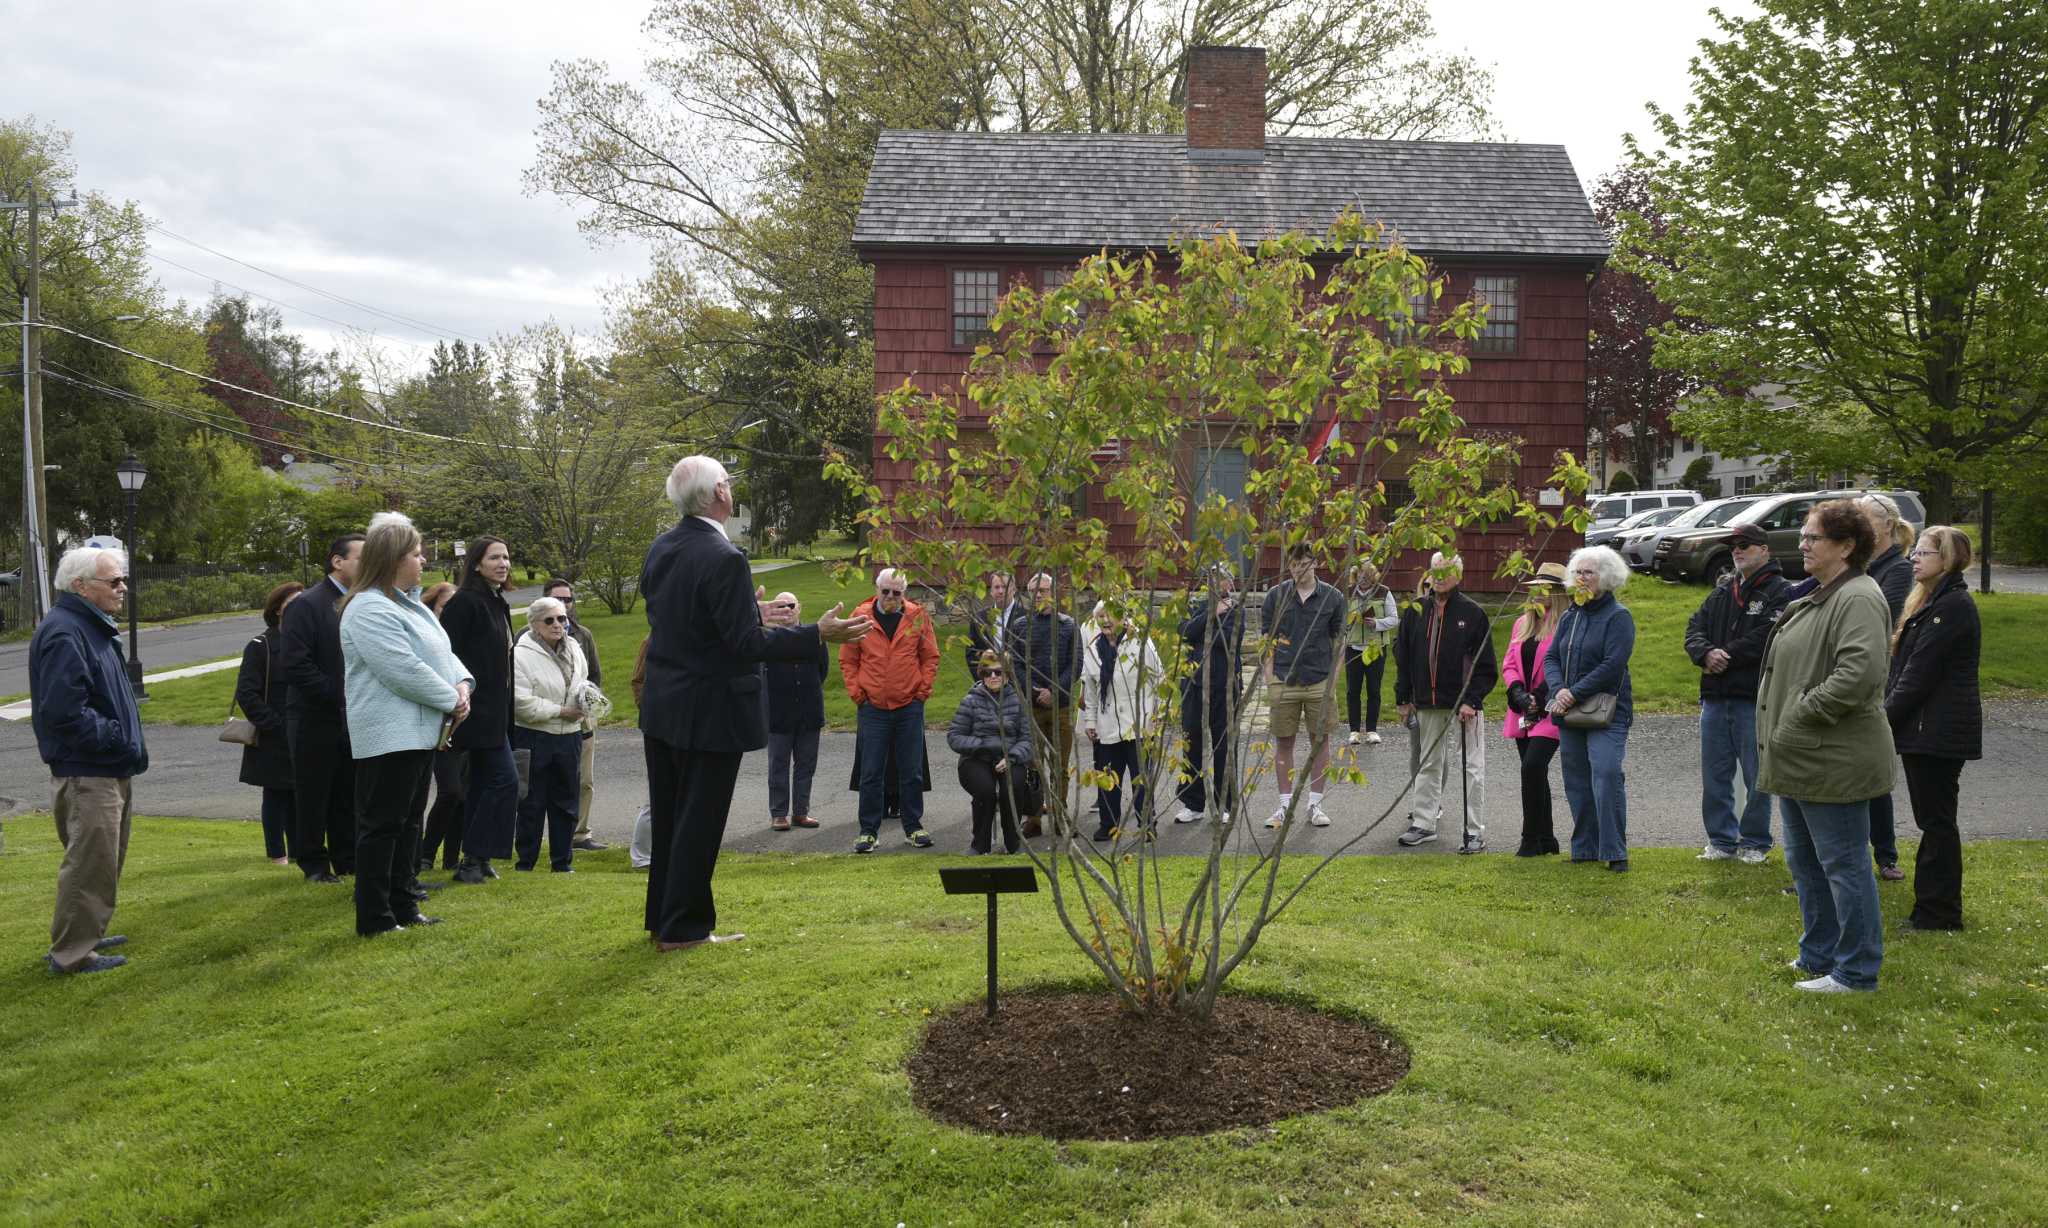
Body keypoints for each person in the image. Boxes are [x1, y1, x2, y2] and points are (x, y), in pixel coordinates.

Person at [640, 455, 869, 949]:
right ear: (717, 494)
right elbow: (745, 645)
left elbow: (684, 618)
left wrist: (750, 609)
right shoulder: (723, 557)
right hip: (709, 708)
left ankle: (663, 919)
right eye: (726, 481)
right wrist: (816, 634)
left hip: (664, 703)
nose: (731, 488)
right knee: (699, 820)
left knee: (671, 815)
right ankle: (685, 929)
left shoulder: (664, 546)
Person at [1756, 499, 1894, 993]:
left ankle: (1856, 971)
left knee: (1844, 863)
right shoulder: (1822, 593)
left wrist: (1799, 714)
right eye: (1804, 536)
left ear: (1846, 546)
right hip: (1800, 752)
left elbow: (1859, 675)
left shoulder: (1857, 595)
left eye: (1813, 537)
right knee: (1806, 861)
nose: (1802, 544)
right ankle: (1818, 955)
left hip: (1831, 755)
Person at [337, 512, 471, 937]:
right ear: (393, 558)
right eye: (415, 553)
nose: (423, 559)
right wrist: (451, 699)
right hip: (388, 735)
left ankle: (404, 904)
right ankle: (375, 918)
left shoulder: (410, 605)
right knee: (382, 826)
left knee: (409, 822)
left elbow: (444, 655)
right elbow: (402, 668)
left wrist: (464, 685)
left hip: (420, 732)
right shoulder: (367, 608)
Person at [31, 545, 148, 975]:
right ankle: (72, 954)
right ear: (80, 586)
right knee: (88, 862)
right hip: (89, 769)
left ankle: (86, 933)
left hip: (106, 765)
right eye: (113, 581)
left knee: (103, 858)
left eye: (122, 579)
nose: (123, 588)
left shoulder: (89, 626)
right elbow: (64, 712)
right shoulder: (66, 632)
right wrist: (116, 738)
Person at [1885, 525, 1980, 931]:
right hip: (1927, 729)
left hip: (1937, 732)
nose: (1914, 558)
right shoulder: (1929, 601)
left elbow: (1917, 676)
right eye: (1916, 551)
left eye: (1925, 552)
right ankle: (1934, 907)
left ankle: (1938, 911)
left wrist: (1882, 723)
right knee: (1935, 820)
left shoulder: (1952, 606)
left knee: (1937, 822)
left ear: (1948, 559)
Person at [1683, 522, 1792, 864]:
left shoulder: (1779, 590)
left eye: (1745, 544)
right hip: (1715, 696)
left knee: (1755, 773)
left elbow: (1769, 634)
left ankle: (1755, 842)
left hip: (1752, 698)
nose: (1738, 550)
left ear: (1764, 549)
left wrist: (1724, 656)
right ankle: (1720, 840)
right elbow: (1694, 628)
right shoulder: (1722, 590)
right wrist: (1704, 653)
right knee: (1715, 773)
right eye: (1733, 546)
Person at [1395, 552, 1498, 852]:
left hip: (1464, 703)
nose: (1440, 577)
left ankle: (1474, 831)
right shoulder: (1416, 611)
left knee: (1473, 768)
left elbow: (1485, 665)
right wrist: (1404, 697)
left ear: (1459, 575)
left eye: (1447, 571)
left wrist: (1471, 699)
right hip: (1427, 701)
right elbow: (1403, 656)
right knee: (1427, 763)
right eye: (1435, 571)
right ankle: (1424, 823)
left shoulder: (1473, 613)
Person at [1543, 546, 1637, 870]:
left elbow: (1613, 664)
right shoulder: (1571, 615)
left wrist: (1573, 693)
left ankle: (1614, 852)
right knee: (1577, 780)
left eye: (1589, 573)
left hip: (1607, 711)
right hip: (1570, 711)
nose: (1582, 578)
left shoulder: (1619, 617)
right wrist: (1558, 690)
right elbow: (1551, 657)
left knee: (1607, 774)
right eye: (1578, 572)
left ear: (1606, 578)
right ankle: (1584, 848)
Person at [279, 533, 363, 883]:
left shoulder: (362, 602)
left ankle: (347, 858)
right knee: (314, 793)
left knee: (347, 791)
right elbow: (296, 665)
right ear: (337, 561)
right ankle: (313, 863)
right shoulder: (308, 604)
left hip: (353, 717)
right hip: (316, 717)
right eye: (361, 557)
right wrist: (339, 695)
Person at [842, 568, 941, 852]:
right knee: (871, 771)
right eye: (885, 591)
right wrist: (857, 694)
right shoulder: (860, 617)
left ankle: (914, 827)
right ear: (877, 589)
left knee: (911, 770)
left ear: (904, 593)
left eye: (896, 593)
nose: (890, 597)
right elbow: (848, 659)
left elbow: (930, 656)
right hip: (872, 707)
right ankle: (868, 831)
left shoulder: (917, 616)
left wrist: (922, 692)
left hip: (909, 705)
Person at [442, 536, 518, 885]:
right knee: (504, 780)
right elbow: (448, 656)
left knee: (484, 783)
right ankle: (473, 856)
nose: (503, 564)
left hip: (497, 711)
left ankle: (477, 858)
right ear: (475, 564)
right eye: (494, 558)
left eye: (505, 557)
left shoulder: (497, 603)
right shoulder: (466, 603)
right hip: (474, 711)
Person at [1262, 544, 1347, 829]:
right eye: (1294, 564)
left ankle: (1315, 804)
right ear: (1289, 566)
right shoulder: (1276, 596)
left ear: (1316, 564)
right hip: (1283, 680)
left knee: (1319, 741)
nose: (1300, 568)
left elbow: (1339, 642)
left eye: (1305, 563)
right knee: (1284, 742)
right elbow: (1268, 640)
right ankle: (1285, 805)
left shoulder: (1333, 597)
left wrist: (1332, 682)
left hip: (1319, 680)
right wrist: (1269, 678)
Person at [512, 595, 591, 873]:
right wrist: (560, 710)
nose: (558, 624)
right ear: (535, 624)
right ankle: (526, 863)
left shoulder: (574, 647)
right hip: (534, 736)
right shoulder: (520, 654)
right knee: (532, 803)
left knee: (567, 803)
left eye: (562, 618)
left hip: (570, 736)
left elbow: (583, 683)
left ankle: (562, 863)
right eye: (550, 620)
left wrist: (588, 700)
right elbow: (520, 703)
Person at [1858, 493, 1915, 882]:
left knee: (1871, 769)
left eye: (1864, 520)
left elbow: (1885, 619)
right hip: (1863, 673)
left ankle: (1885, 854)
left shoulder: (1897, 569)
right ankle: (1864, 852)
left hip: (1880, 679)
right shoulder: (1862, 564)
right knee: (1856, 770)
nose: (1858, 526)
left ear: (1887, 526)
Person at [1082, 600, 1165, 841]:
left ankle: (1147, 825)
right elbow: (1090, 690)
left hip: (1139, 723)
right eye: (1101, 616)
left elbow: (1159, 678)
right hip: (1107, 724)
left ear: (1122, 617)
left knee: (1141, 778)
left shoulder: (1140, 642)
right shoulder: (1092, 649)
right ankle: (1108, 824)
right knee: (1108, 777)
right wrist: (1090, 721)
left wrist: (1158, 715)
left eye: (1111, 615)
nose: (1106, 620)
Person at [236, 581, 305, 865]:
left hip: (302, 730)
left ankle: (301, 850)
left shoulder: (305, 642)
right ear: (278, 610)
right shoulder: (260, 646)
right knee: (276, 794)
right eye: (292, 605)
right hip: (273, 734)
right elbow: (247, 693)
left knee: (298, 795)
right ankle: (277, 853)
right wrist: (274, 724)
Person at [1500, 562, 1566, 857]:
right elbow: (1510, 662)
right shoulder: (1521, 623)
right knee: (1534, 774)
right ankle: (1547, 838)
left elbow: (1563, 666)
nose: (1538, 593)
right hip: (1522, 708)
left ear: (1558, 593)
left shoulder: (1565, 624)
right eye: (1535, 588)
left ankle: (1529, 838)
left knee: (1533, 767)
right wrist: (1516, 691)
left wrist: (1539, 696)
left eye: (1546, 588)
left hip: (1549, 707)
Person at [1007, 572, 1080, 839]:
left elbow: (1076, 664)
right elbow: (1015, 664)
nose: (1039, 595)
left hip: (1060, 707)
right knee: (1032, 764)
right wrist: (1034, 692)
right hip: (1031, 707)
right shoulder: (1019, 626)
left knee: (1060, 765)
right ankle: (1034, 818)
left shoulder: (1068, 625)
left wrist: (1053, 691)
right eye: (1034, 591)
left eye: (1044, 591)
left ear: (1054, 592)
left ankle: (1060, 816)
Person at [541, 578, 608, 854]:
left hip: (581, 719)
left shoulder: (584, 635)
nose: (565, 605)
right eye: (559, 600)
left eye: (568, 600)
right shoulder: (527, 636)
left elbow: (594, 676)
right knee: (541, 782)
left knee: (583, 780)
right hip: (543, 719)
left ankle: (580, 835)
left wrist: (587, 707)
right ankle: (532, 834)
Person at [1173, 568, 1244, 824]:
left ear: (1230, 582)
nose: (1216, 583)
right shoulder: (1194, 604)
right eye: (1211, 578)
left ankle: (1225, 804)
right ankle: (1193, 804)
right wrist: (1211, 614)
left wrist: (1200, 630)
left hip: (1225, 688)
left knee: (1224, 746)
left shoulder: (1237, 609)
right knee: (1192, 744)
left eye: (1222, 578)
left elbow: (1227, 641)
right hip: (1193, 686)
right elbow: (1183, 633)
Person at [949, 651, 1036, 854]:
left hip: (1010, 758)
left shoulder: (1019, 701)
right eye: (987, 673)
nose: (993, 677)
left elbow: (1028, 739)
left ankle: (1014, 844)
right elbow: (954, 735)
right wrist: (980, 747)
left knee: (1011, 789)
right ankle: (979, 845)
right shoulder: (970, 700)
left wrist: (1012, 757)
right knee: (985, 791)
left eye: (998, 672)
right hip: (976, 758)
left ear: (1007, 674)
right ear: (981, 675)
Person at [763, 591, 827, 832]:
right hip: (778, 714)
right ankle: (779, 814)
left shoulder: (815, 637)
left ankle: (801, 812)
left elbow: (822, 670)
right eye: (781, 606)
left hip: (809, 712)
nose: (787, 609)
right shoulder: (768, 638)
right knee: (778, 765)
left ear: (799, 607)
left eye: (791, 605)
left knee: (806, 765)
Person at [417, 581, 467, 872]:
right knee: (451, 791)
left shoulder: (461, 637)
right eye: (445, 606)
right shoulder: (427, 641)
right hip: (436, 724)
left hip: (464, 722)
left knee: (463, 795)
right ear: (433, 608)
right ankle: (425, 853)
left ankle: (450, 859)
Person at [1344, 562, 1401, 747]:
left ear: (1373, 576)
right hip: (1353, 648)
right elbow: (1339, 620)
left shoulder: (1384, 592)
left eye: (1368, 576)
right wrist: (1350, 622)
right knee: (1353, 690)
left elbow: (1394, 619)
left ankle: (1372, 730)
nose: (1364, 579)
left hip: (1376, 648)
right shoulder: (1348, 593)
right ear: (1356, 575)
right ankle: (1354, 731)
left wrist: (1376, 623)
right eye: (1361, 575)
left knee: (1374, 690)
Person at [963, 570, 1021, 682]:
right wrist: (983, 679)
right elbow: (971, 653)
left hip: (1018, 687)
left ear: (1014, 589)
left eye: (1005, 587)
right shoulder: (979, 618)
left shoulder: (1026, 617)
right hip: (989, 684)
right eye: (997, 587)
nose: (1000, 591)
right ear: (991, 591)